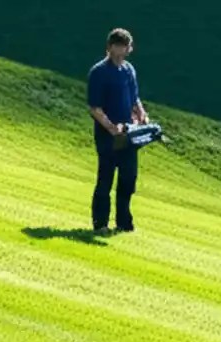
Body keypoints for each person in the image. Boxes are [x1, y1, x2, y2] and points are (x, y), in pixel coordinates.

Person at [87, 28, 148, 233]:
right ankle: (100, 223)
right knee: (105, 179)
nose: (123, 52)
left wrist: (141, 114)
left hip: (129, 134)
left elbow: (134, 98)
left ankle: (124, 223)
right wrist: (112, 129)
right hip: (108, 136)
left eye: (126, 48)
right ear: (110, 47)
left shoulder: (129, 70)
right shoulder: (99, 72)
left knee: (128, 178)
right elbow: (95, 108)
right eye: (119, 47)